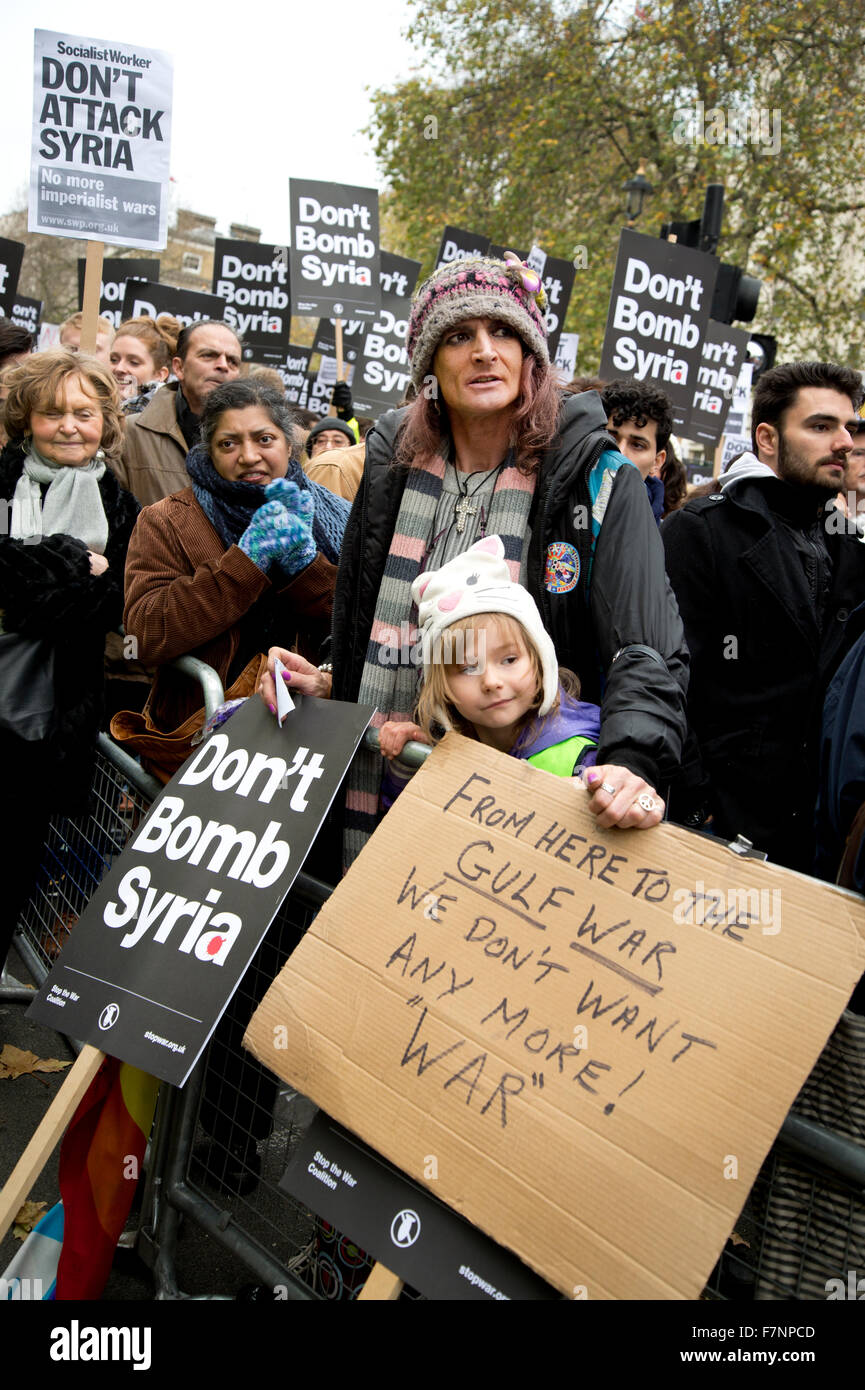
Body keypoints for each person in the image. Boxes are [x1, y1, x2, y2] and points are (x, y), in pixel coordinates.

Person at [264, 253, 687, 866]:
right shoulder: (390, 469)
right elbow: (385, 627)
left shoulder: (596, 479)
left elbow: (646, 647)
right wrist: (338, 679)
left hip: (530, 824)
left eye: (505, 332)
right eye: (460, 336)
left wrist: (631, 762)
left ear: (530, 356)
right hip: (384, 790)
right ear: (430, 364)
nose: (485, 351)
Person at [663, 359, 865, 870]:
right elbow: (666, 675)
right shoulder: (701, 531)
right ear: (768, 439)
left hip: (813, 839)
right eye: (820, 426)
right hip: (716, 830)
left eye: (848, 427)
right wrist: (697, 808)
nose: (843, 441)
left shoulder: (851, 550)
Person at [121, 378, 348, 777]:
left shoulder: (337, 515)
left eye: (264, 439)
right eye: (228, 443)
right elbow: (142, 635)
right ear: (208, 451)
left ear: (289, 444)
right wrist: (248, 559)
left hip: (307, 746)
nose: (248, 456)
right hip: (199, 747)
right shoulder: (167, 520)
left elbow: (353, 620)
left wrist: (303, 564)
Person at [0, 352, 139, 968]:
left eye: (84, 412)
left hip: (49, 726)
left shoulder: (119, 502)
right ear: (25, 419)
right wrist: (69, 558)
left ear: (106, 421)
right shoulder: (3, 481)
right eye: (51, 412)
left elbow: (121, 600)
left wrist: (39, 582)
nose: (68, 425)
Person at [375, 537, 603, 801]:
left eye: (509, 660)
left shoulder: (586, 757)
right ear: (443, 687)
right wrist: (415, 760)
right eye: (468, 668)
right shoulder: (450, 751)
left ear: (540, 662)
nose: (491, 681)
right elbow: (413, 829)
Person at [115, 319, 241, 506]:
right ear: (179, 367)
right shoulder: (130, 433)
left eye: (232, 361)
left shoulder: (253, 444)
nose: (223, 365)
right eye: (208, 355)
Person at [601, 379, 673, 525]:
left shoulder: (663, 540)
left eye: (638, 445)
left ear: (657, 461)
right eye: (610, 438)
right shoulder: (555, 506)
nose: (619, 453)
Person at [108, 313, 179, 406]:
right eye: (113, 360)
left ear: (160, 375)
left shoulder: (166, 417)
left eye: (134, 362)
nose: (119, 368)